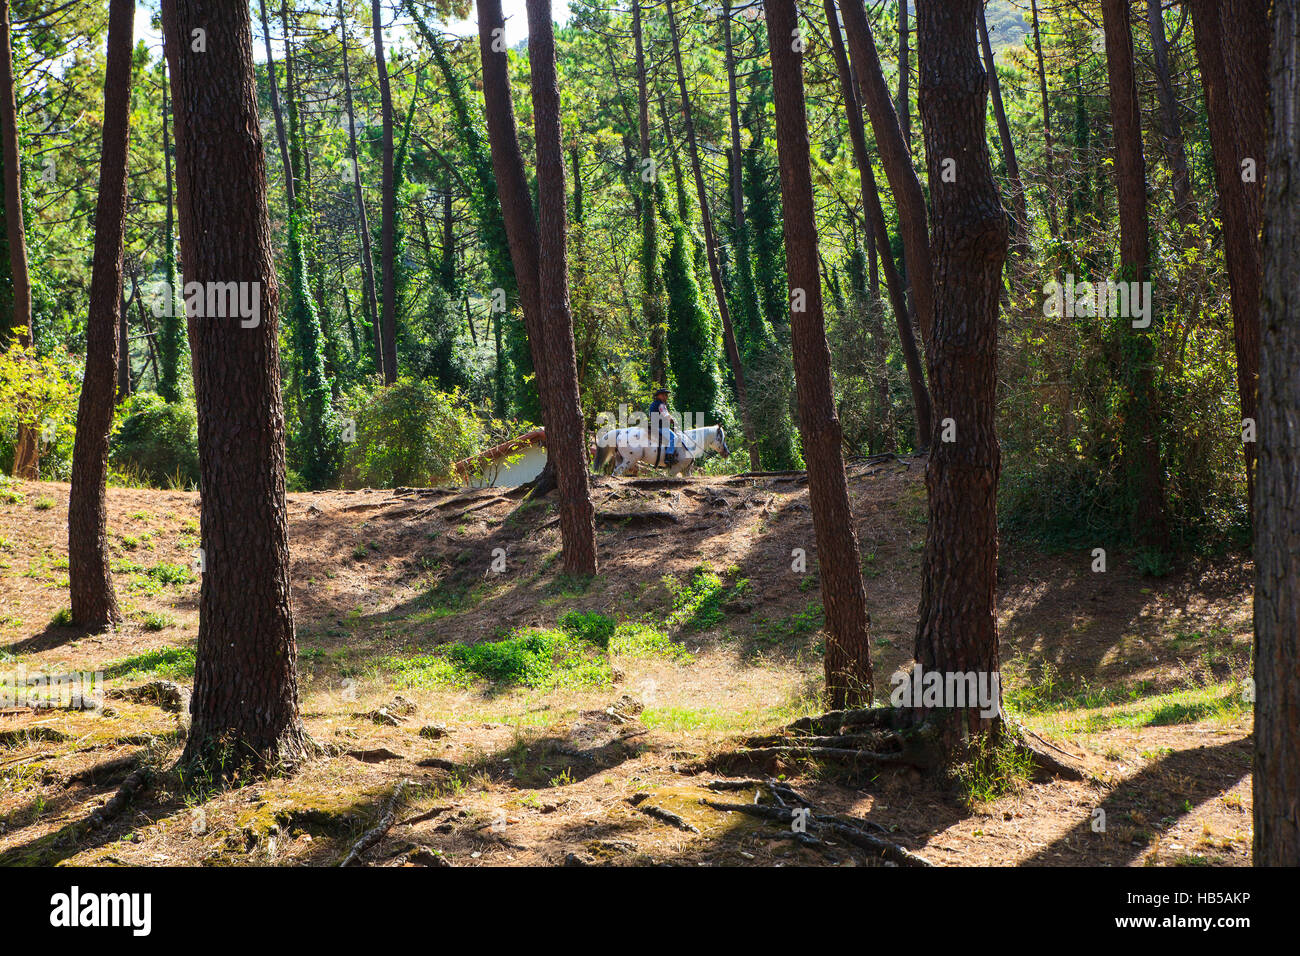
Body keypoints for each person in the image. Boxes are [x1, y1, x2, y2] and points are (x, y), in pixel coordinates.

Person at [647, 387, 678, 466]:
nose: (666, 397)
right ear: (659, 396)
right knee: (674, 438)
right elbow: (666, 415)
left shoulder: (653, 404)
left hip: (654, 426)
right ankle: (668, 456)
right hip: (660, 427)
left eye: (666, 395)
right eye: (665, 395)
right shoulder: (661, 404)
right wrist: (672, 420)